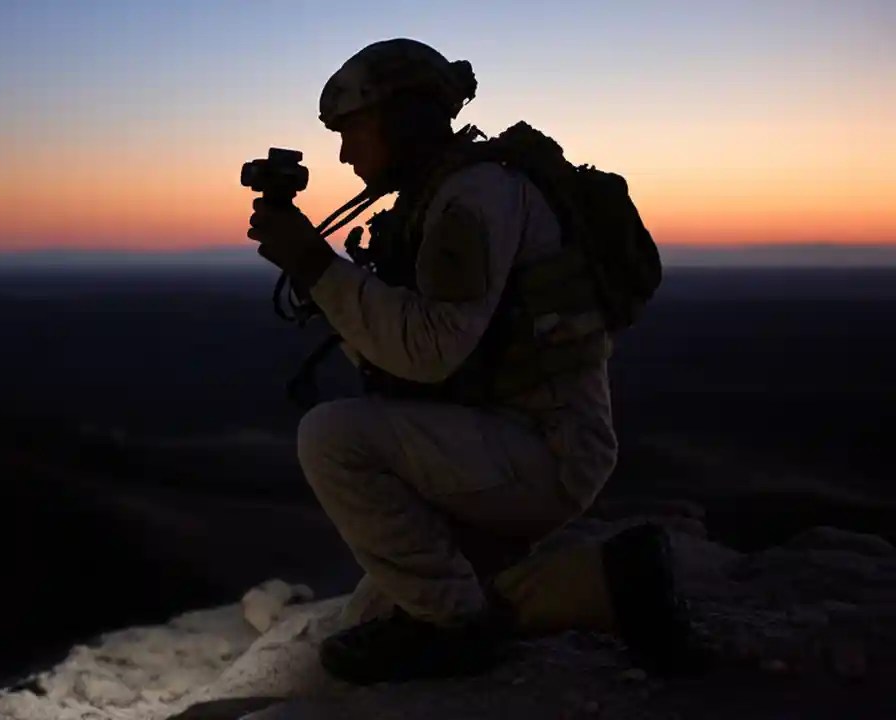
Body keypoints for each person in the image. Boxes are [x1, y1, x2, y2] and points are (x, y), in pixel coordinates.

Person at [247, 38, 690, 685]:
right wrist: (328, 288)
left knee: (331, 438)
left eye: (354, 131)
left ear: (401, 118)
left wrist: (315, 266)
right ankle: (612, 581)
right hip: (506, 439)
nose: (345, 153)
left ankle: (455, 630)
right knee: (376, 607)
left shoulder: (472, 198)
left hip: (543, 448)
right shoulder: (441, 194)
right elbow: (402, 362)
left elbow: (428, 352)